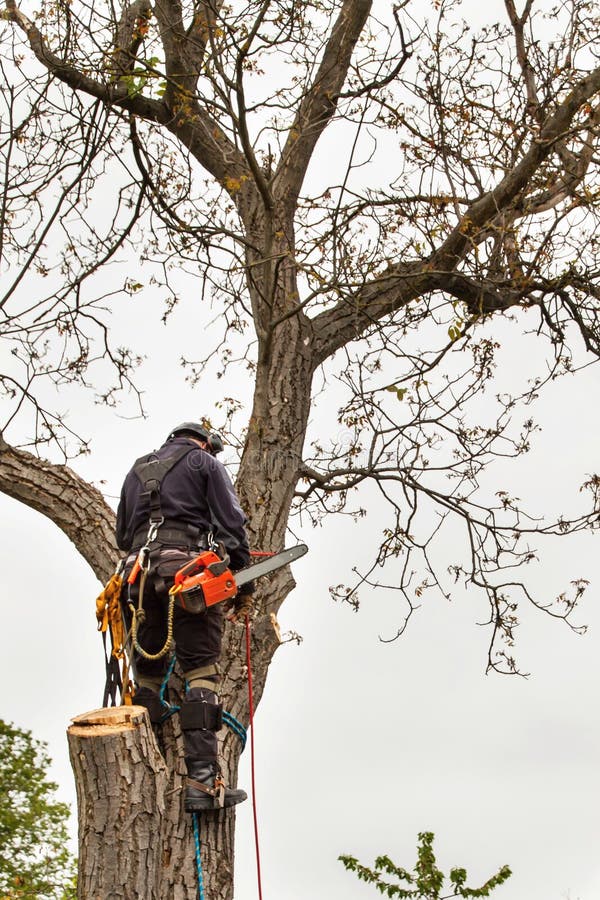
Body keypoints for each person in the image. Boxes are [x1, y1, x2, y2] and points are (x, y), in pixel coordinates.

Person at [115, 421, 254, 811]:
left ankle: (144, 737)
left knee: (146, 672)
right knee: (200, 672)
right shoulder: (203, 463)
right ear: (206, 443)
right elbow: (232, 522)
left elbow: (123, 536)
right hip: (185, 575)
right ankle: (203, 782)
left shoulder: (137, 469)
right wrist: (240, 572)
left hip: (135, 578)